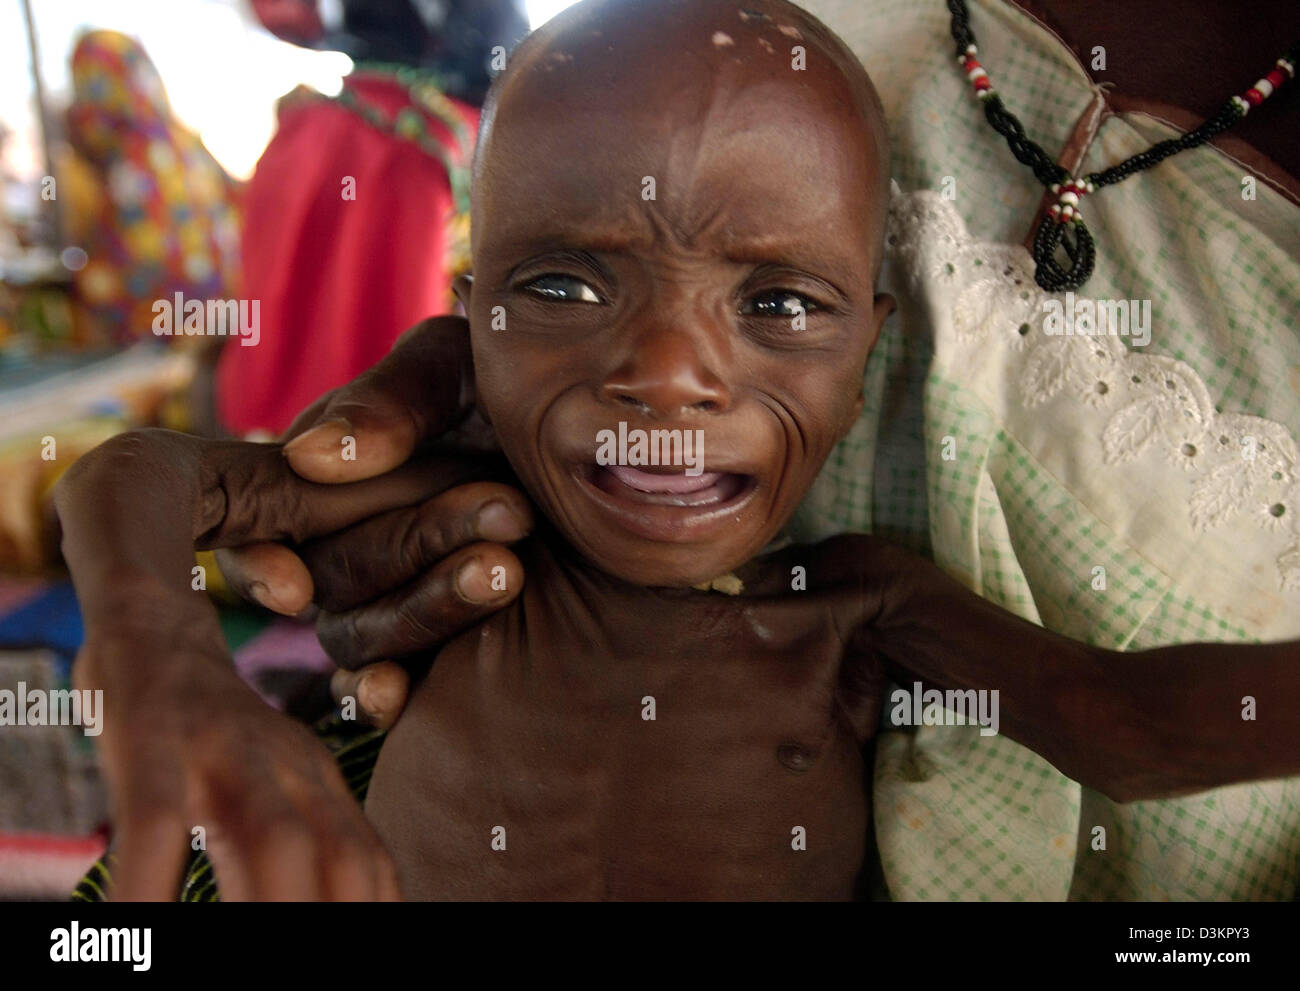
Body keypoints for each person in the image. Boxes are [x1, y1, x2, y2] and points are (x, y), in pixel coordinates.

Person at [55, 0, 1300, 900]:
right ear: (467, 312)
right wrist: (162, 654)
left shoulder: (854, 606)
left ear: (868, 360)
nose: (664, 370)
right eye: (558, 284)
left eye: (777, 306)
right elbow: (142, 471)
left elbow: (1122, 724)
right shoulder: (479, 513)